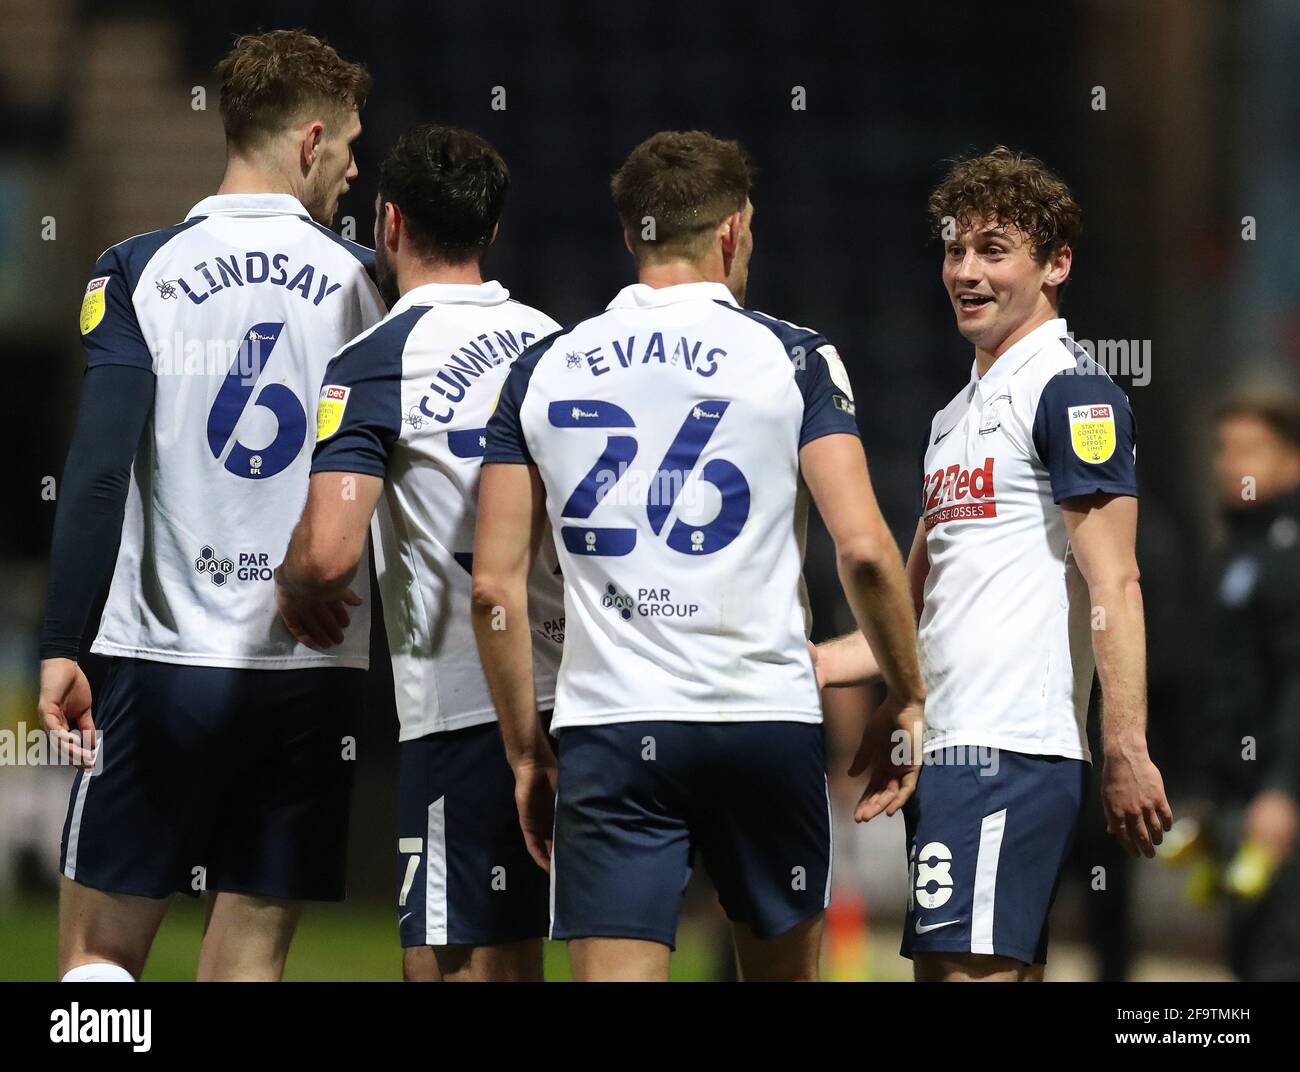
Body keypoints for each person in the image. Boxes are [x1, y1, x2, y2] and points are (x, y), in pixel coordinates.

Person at [471, 129, 926, 982]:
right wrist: (906, 690)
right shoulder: (794, 356)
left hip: (612, 726)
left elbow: (494, 586)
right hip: (763, 719)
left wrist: (527, 753)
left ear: (629, 235)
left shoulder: (543, 369)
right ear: (731, 231)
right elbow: (864, 552)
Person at [37, 30, 384, 982]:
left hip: (159, 663)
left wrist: (64, 641)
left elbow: (99, 469)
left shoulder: (135, 269)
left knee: (99, 960)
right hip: (310, 669)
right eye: (350, 149)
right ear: (310, 142)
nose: (353, 174)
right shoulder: (369, 285)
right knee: (246, 972)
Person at [817, 146, 1172, 981]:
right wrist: (789, 668)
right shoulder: (952, 418)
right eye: (954, 249)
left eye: (993, 250)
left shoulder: (1072, 391)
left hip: (1006, 749)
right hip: (950, 755)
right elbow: (903, 618)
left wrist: (1124, 744)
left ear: (1057, 264)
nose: (966, 272)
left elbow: (1114, 580)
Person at [275, 125, 564, 982]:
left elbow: (329, 556)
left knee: (448, 964)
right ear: (493, 232)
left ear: (388, 224)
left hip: (467, 709)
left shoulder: (375, 363)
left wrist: (293, 580)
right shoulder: (558, 343)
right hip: (585, 699)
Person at [1202, 396, 1300, 980]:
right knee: (1246, 956)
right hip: (1237, 795)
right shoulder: (1233, 549)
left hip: (1279, 801)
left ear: (1292, 460)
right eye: (1224, 449)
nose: (1229, 463)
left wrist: (1283, 790)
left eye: (1249, 449)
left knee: (1277, 959)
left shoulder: (1291, 551)